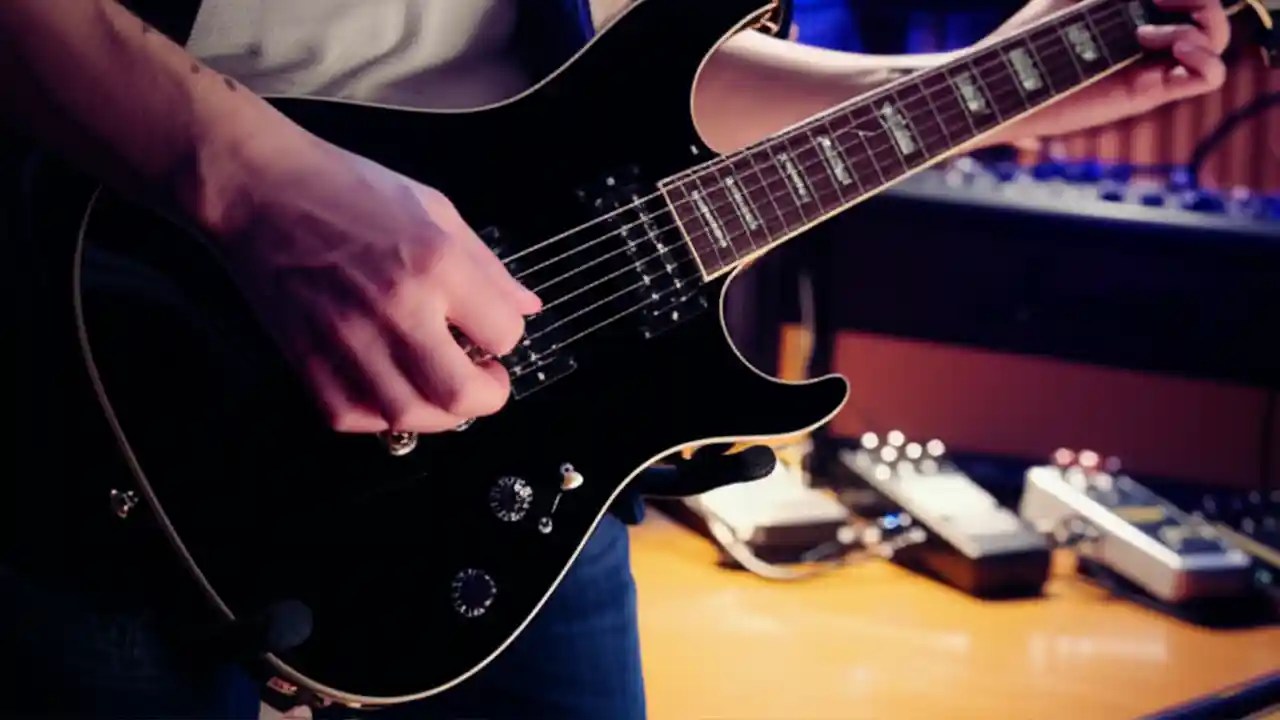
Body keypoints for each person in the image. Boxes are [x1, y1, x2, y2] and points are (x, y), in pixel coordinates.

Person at [0, 0, 1231, 718]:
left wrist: (963, 92)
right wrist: (254, 188)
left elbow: (627, 82)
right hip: (121, 326)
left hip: (533, 384)